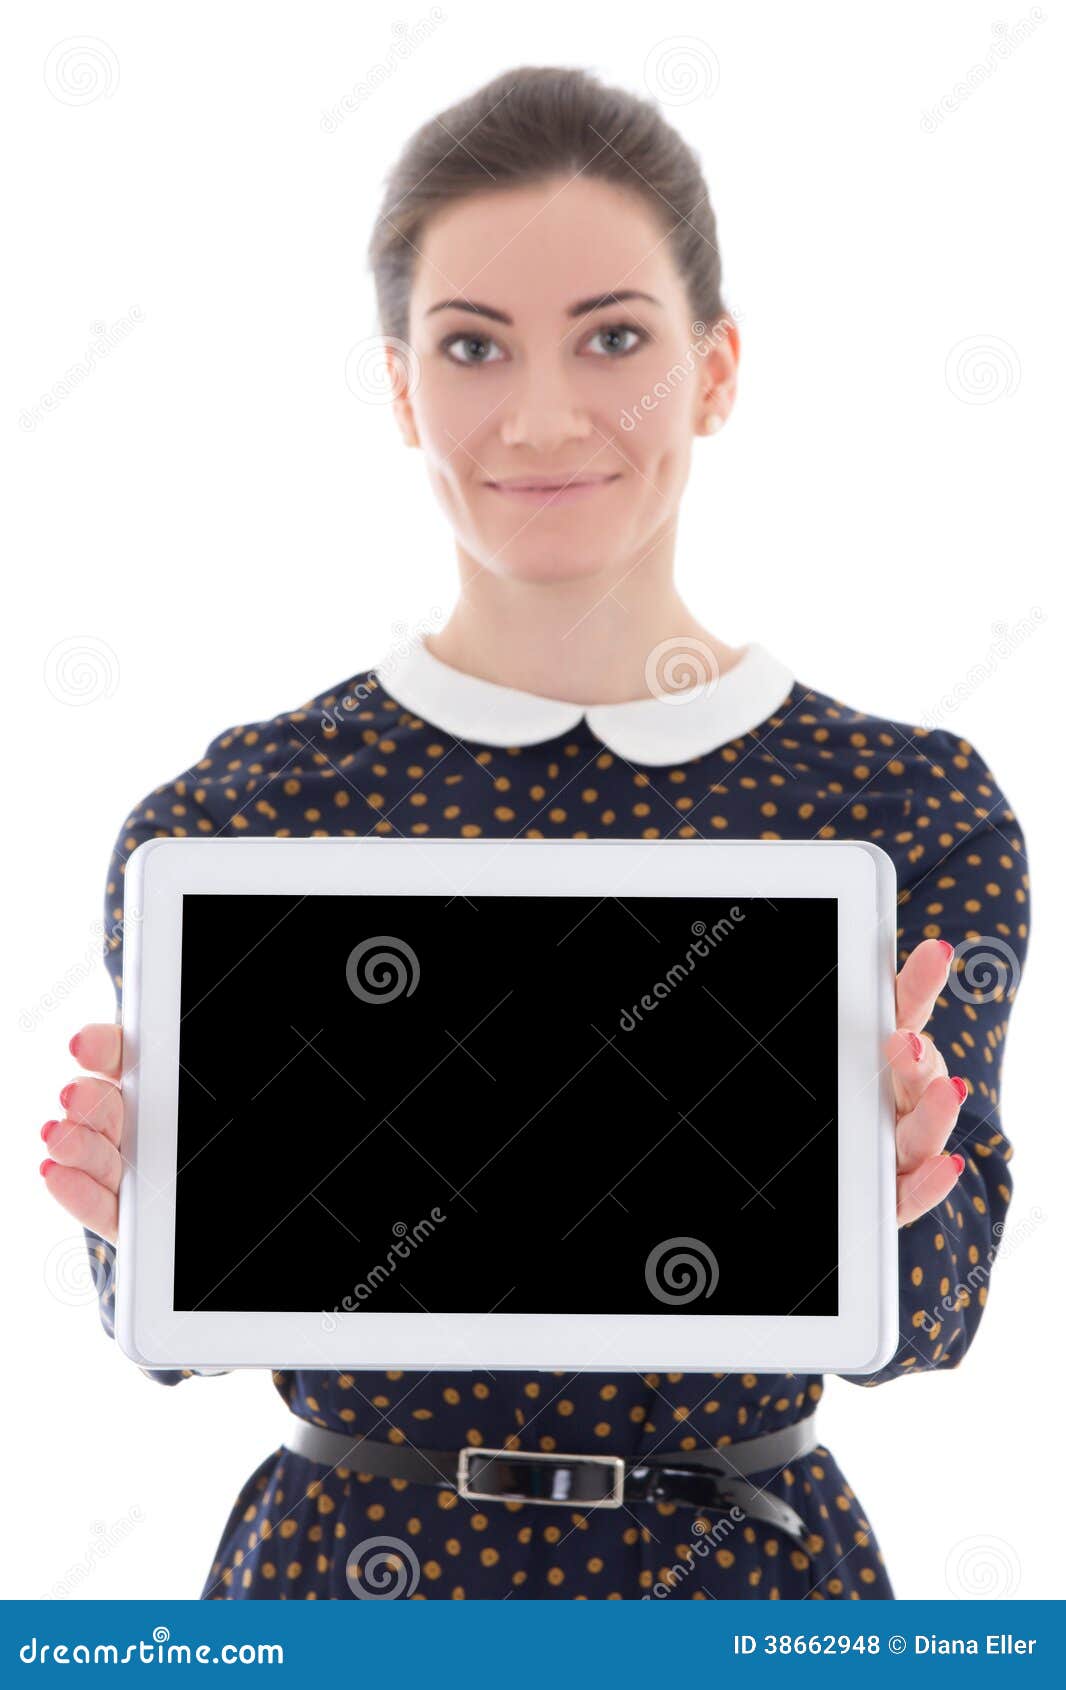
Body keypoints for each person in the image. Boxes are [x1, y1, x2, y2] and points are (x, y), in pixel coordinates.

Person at [40, 64, 1030, 1600]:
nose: (543, 413)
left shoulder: (901, 806)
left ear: (713, 368)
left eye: (613, 337)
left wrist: (899, 1196)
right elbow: (168, 1327)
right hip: (344, 1584)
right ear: (398, 388)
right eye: (473, 347)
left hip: (744, 1586)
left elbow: (941, 1307)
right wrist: (132, 1218)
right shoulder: (243, 814)